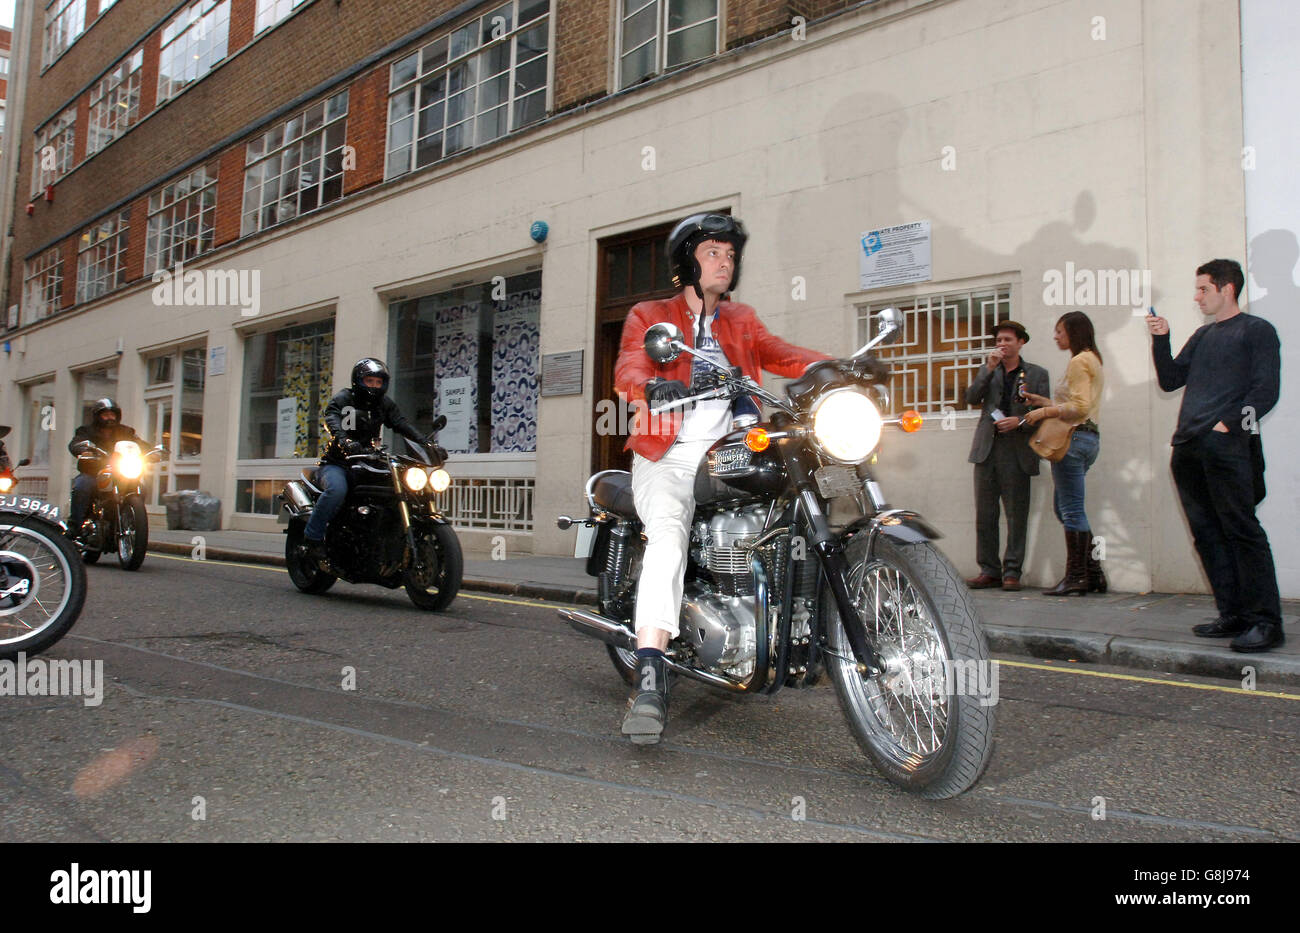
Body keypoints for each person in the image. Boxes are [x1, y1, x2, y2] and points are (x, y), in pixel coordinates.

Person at [612, 213, 828, 743]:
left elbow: (780, 354)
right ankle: (650, 675)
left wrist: (835, 367)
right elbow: (629, 368)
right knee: (668, 534)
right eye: (713, 253)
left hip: (731, 449)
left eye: (730, 255)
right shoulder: (651, 315)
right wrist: (649, 389)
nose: (725, 262)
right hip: (669, 452)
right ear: (687, 261)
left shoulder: (741, 318)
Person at [1147, 259, 1283, 652]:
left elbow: (1264, 391)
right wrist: (1162, 338)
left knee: (1242, 531)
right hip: (1187, 446)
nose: (1197, 296)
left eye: (1203, 288)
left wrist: (1228, 426)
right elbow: (1171, 379)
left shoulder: (1257, 331)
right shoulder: (1203, 336)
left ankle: (1266, 623)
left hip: (1226, 446)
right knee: (1207, 534)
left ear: (1227, 288)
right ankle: (1234, 615)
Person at [300, 358, 428, 564]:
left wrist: (425, 443)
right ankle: (313, 539)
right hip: (338, 463)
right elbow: (332, 417)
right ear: (358, 381)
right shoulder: (345, 398)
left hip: (367, 461)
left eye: (378, 382)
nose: (374, 386)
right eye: (369, 381)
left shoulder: (383, 404)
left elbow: (400, 423)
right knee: (336, 490)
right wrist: (345, 441)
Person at [1022, 311, 1105, 596]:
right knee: (1066, 508)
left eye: (1059, 331)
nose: (1056, 336)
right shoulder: (1092, 358)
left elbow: (1079, 407)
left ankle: (1077, 577)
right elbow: (1076, 403)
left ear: (1073, 331)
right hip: (1087, 439)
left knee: (1071, 510)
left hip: (1074, 439)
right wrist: (1044, 401)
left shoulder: (1079, 361)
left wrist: (1044, 411)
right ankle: (1093, 574)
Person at [964, 321, 1050, 591]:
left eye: (1008, 340)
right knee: (985, 514)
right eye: (999, 340)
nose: (1002, 344)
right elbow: (971, 397)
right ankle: (989, 570)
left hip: (1017, 450)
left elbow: (1046, 412)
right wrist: (988, 369)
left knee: (1016, 515)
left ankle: (1012, 572)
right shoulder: (987, 370)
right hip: (987, 449)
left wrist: (1020, 422)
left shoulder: (1037, 374)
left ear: (1021, 342)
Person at [67, 399, 154, 539]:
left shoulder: (126, 431)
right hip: (93, 473)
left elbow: (138, 443)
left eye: (112, 414)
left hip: (120, 473)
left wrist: (152, 451)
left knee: (141, 488)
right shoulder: (86, 431)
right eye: (106, 414)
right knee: (81, 486)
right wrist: (80, 448)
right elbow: (76, 442)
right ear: (97, 416)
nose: (110, 418)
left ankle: (130, 521)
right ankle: (75, 527)